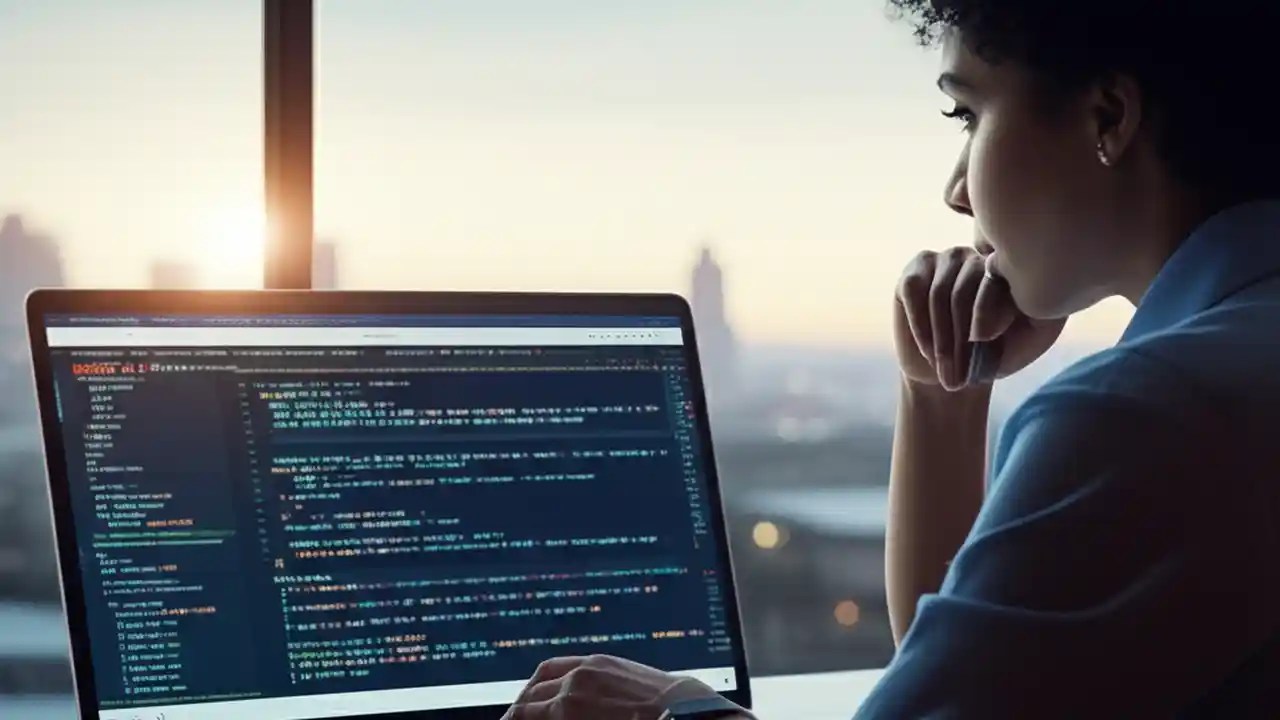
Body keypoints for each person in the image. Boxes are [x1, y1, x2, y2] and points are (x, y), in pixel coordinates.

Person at [503, 2, 1280, 717]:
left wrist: (671, 710)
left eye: (968, 113)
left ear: (1108, 117)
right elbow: (967, 675)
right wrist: (942, 391)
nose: (955, 190)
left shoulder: (1142, 419)